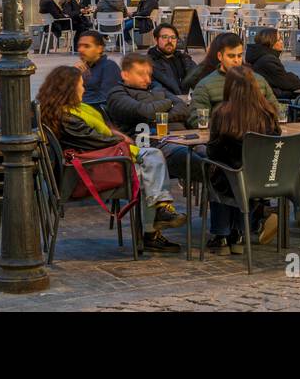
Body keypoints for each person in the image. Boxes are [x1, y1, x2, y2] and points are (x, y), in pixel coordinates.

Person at [37, 64, 184, 253]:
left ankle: (157, 218)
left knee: (151, 162)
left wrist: (116, 137)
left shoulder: (63, 112)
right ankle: (153, 227)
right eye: (80, 85)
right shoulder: (68, 118)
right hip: (87, 172)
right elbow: (98, 141)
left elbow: (96, 138)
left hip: (92, 163)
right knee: (151, 165)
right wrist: (120, 137)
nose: (83, 89)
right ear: (68, 89)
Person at [203, 67, 281, 253]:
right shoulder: (267, 113)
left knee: (217, 170)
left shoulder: (222, 113)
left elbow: (213, 151)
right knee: (235, 172)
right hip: (263, 177)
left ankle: (221, 235)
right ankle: (238, 234)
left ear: (229, 87)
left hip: (231, 179)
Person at [191, 32, 281, 118]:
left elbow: (276, 109)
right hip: (224, 132)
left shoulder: (259, 80)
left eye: (239, 55)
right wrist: (223, 126)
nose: (236, 60)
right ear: (219, 56)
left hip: (257, 131)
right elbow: (198, 119)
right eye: (231, 56)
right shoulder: (205, 85)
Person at [105, 52, 190, 137]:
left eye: (149, 74)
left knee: (201, 148)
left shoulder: (156, 88)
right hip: (147, 141)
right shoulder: (117, 94)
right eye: (141, 74)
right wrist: (169, 103)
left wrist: (156, 117)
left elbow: (184, 109)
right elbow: (145, 112)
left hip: (182, 136)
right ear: (125, 75)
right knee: (183, 150)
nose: (148, 80)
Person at [245, 27, 300, 99]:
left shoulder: (261, 56)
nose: (282, 42)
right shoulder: (268, 60)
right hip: (273, 99)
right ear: (270, 42)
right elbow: (285, 82)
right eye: (279, 40)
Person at [147, 24, 198, 95]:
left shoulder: (184, 59)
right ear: (156, 39)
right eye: (165, 37)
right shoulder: (149, 63)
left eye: (173, 37)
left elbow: (199, 79)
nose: (170, 41)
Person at [75, 30, 122, 102]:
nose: (81, 50)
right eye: (79, 46)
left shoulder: (109, 67)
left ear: (99, 49)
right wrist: (73, 74)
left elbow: (106, 99)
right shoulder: (80, 68)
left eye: (87, 46)